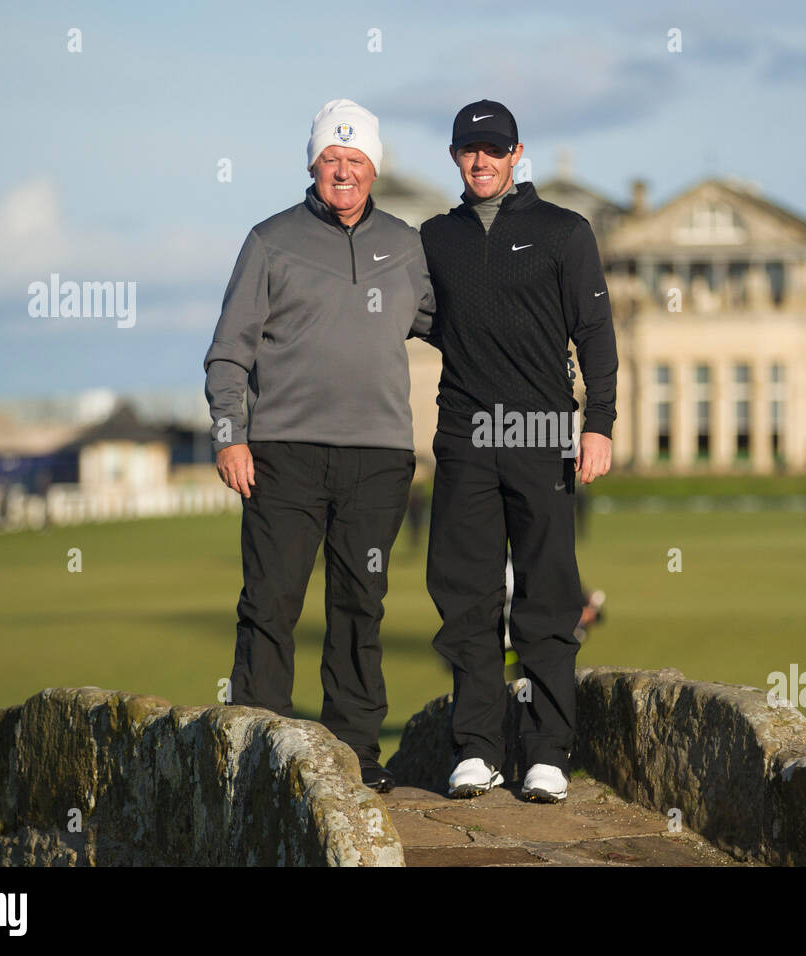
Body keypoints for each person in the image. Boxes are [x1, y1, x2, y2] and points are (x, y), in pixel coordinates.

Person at [203, 98, 436, 794]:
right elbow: (226, 356)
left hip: (378, 456)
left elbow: (452, 324)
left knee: (360, 603)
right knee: (271, 603)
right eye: (331, 159)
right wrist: (229, 434)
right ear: (312, 165)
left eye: (355, 160)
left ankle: (357, 750)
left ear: (373, 169)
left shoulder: (405, 244)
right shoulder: (270, 241)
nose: (343, 171)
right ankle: (262, 747)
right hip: (283, 454)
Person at [421, 100, 618, 803]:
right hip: (466, 435)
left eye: (494, 149)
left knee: (546, 596)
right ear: (454, 158)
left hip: (540, 433)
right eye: (469, 150)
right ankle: (476, 748)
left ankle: (547, 752)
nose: (481, 160)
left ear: (516, 154)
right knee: (466, 596)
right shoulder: (433, 239)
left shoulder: (564, 232)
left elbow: (595, 331)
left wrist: (599, 424)